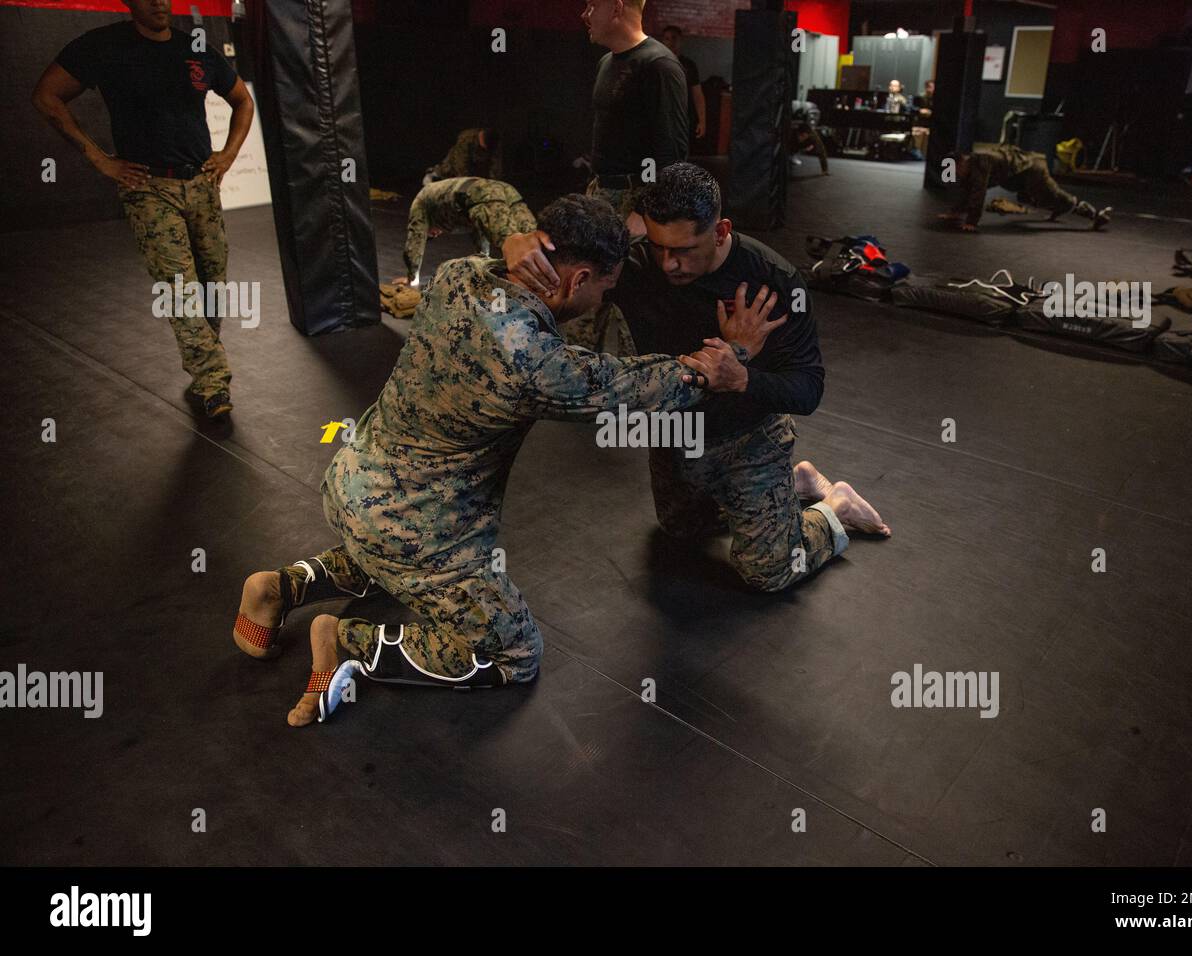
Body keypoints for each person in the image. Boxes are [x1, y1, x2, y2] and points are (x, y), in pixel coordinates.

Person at [231, 195, 767, 726]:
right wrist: (731, 356)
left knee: (389, 562)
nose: (607, 299)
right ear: (578, 279)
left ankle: (282, 586)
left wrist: (511, 239)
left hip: (353, 484)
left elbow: (467, 199)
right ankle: (348, 642)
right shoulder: (532, 365)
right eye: (606, 287)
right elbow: (633, 388)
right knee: (512, 653)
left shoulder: (457, 274)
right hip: (418, 526)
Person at [505, 163, 891, 594]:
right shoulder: (636, 264)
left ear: (721, 230)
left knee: (769, 571)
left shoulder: (773, 281)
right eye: (658, 247)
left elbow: (809, 389)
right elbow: (565, 255)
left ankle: (833, 506)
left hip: (749, 434)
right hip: (676, 429)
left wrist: (742, 378)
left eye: (685, 249)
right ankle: (793, 484)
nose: (670, 264)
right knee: (680, 528)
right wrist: (516, 240)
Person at [32, 0, 254, 421]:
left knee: (211, 284)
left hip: (201, 185)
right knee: (180, 289)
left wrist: (228, 154)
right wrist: (99, 158)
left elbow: (242, 100)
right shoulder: (103, 46)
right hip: (148, 187)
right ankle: (213, 383)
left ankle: (205, 366)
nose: (158, 2)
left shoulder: (197, 47)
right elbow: (46, 96)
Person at [582, 0, 689, 231]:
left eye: (592, 6)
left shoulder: (659, 65)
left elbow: (672, 153)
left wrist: (644, 210)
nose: (585, 14)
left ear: (616, 9)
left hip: (634, 201)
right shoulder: (605, 62)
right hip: (600, 193)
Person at [395, 176, 535, 287]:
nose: (435, 234)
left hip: (480, 193)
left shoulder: (419, 204)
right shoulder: (442, 206)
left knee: (515, 247)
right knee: (533, 238)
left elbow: (415, 243)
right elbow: (480, 230)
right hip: (505, 189)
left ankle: (535, 289)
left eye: (430, 235)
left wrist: (411, 278)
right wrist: (484, 263)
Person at [939, 145, 1113, 232]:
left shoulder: (980, 163)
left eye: (956, 170)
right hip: (1017, 176)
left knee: (1054, 196)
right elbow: (966, 189)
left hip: (1031, 169)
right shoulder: (970, 167)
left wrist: (971, 222)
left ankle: (1095, 215)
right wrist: (955, 211)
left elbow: (979, 191)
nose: (956, 174)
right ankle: (1057, 207)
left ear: (962, 161)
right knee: (1030, 199)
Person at [661, 24, 706, 147]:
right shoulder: (655, 63)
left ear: (680, 41)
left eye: (674, 38)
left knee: (680, 154)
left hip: (682, 118)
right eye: (667, 38)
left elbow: (697, 95)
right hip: (661, 117)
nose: (670, 42)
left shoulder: (689, 65)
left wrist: (702, 121)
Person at [424, 127, 501, 183]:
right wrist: (466, 182)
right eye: (483, 146)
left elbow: (495, 165)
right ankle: (434, 173)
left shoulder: (493, 144)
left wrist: (493, 182)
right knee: (449, 171)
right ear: (481, 137)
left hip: (477, 169)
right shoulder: (467, 139)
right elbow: (461, 163)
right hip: (455, 165)